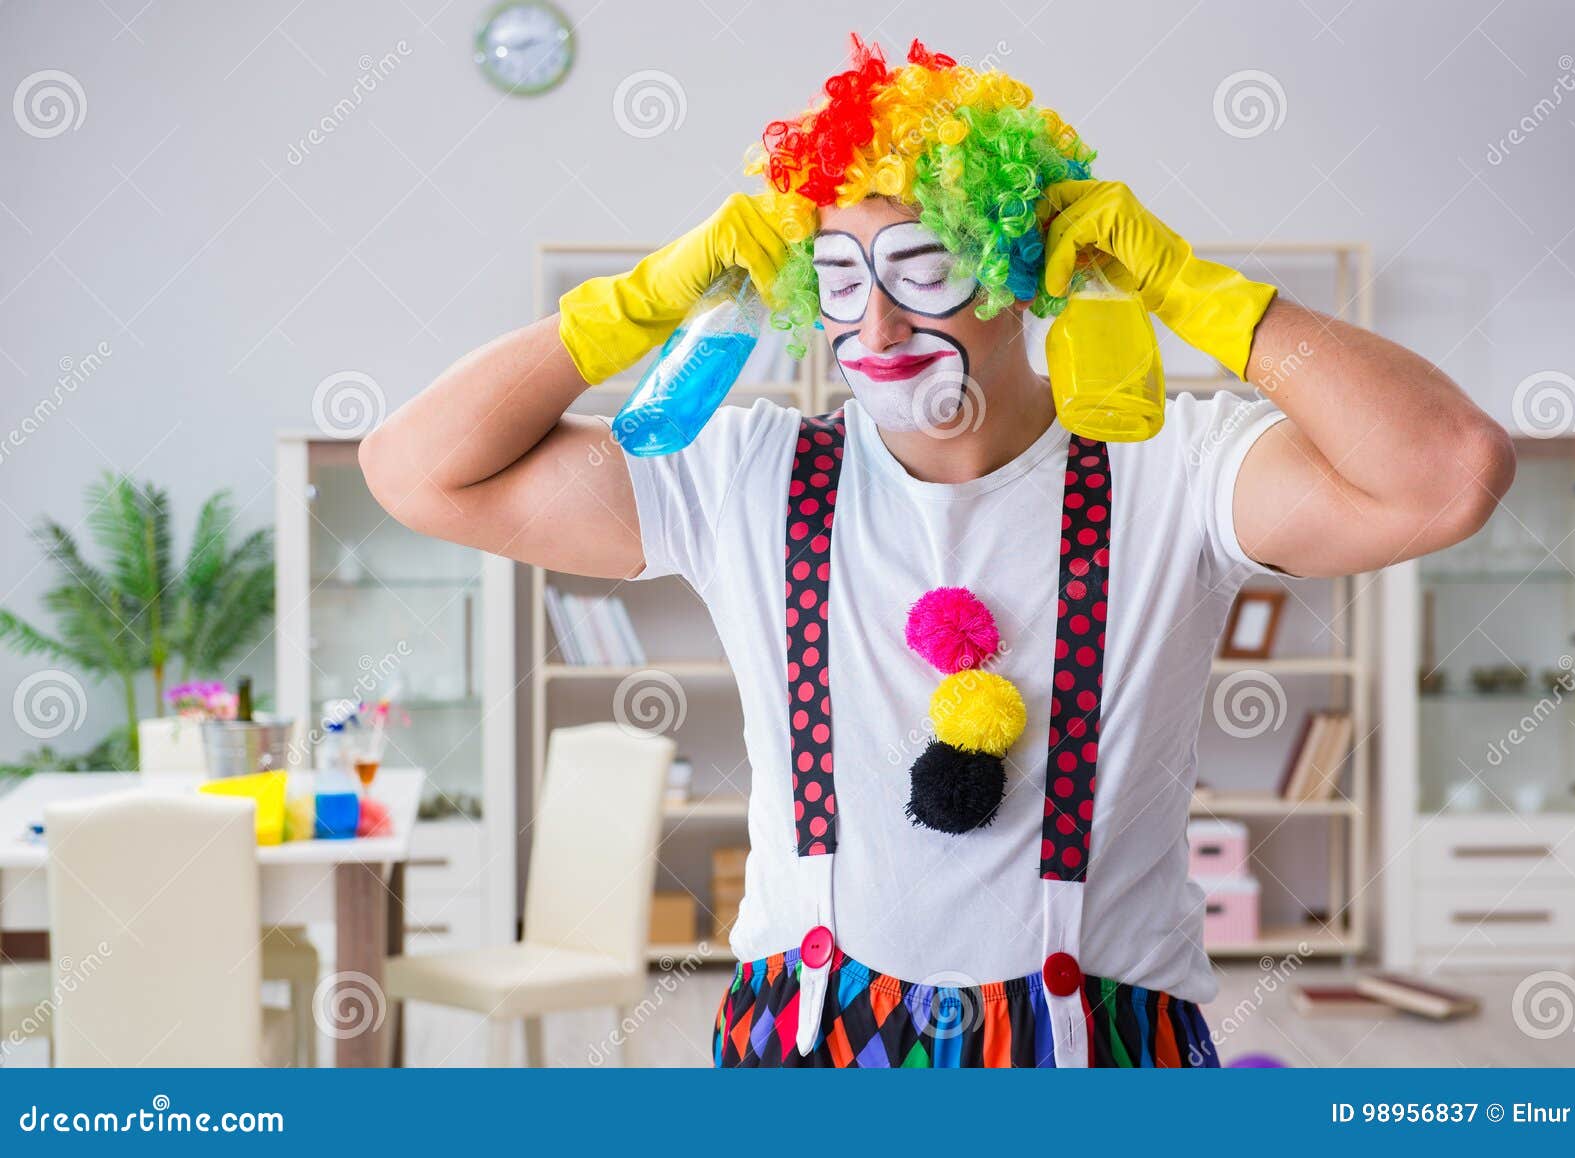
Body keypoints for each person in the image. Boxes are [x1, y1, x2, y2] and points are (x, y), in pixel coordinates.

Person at [360, 36, 1514, 1068]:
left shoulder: (1176, 468)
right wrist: (642, 301)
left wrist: (1186, 288)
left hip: (1102, 1047)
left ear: (1019, 275)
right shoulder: (741, 474)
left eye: (920, 272)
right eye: (840, 278)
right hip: (803, 1046)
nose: (874, 327)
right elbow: (416, 471)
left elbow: (1451, 471)